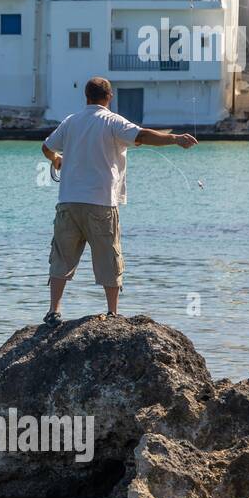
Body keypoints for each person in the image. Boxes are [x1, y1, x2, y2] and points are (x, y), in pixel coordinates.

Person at [40, 77, 197, 324]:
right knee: (109, 258)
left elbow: (46, 147)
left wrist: (56, 159)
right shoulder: (113, 121)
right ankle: (112, 313)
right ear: (109, 97)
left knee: (61, 257)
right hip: (101, 201)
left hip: (68, 201)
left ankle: (53, 311)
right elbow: (143, 135)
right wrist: (175, 139)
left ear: (86, 97)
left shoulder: (71, 121)